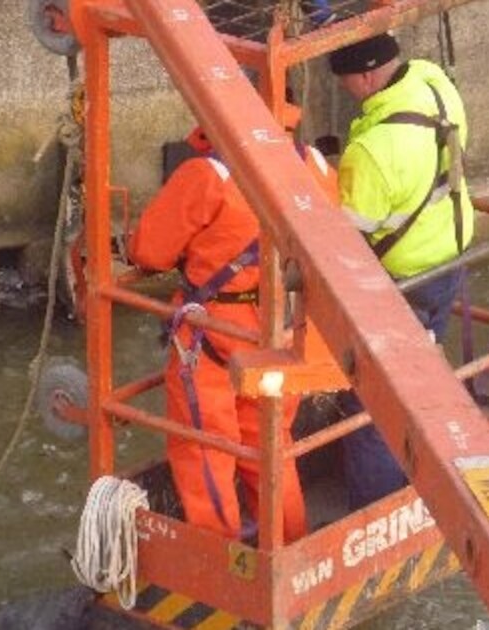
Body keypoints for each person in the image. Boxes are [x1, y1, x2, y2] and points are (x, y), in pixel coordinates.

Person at [128, 103, 338, 544]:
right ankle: (289, 546)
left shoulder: (209, 175)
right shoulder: (314, 165)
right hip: (282, 327)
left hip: (215, 331)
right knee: (270, 446)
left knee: (206, 449)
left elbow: (149, 251)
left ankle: (222, 558)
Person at [328, 33, 475, 510]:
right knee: (422, 368)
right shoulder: (433, 82)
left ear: (367, 76)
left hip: (404, 281)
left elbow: (344, 243)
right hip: (449, 255)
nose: (346, 89)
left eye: (346, 81)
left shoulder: (373, 151)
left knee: (374, 402)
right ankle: (420, 457)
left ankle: (376, 507)